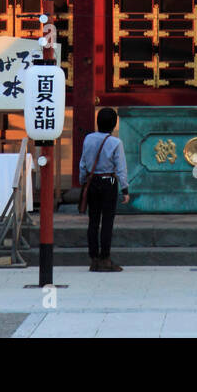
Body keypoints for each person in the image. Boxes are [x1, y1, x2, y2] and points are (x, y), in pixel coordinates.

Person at [79, 107, 129, 271]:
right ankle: (105, 258)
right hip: (109, 183)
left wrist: (83, 182)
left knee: (93, 221)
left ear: (97, 122)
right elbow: (121, 167)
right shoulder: (116, 142)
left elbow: (83, 163)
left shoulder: (88, 139)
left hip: (92, 182)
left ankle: (94, 259)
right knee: (107, 222)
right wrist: (125, 189)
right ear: (114, 124)